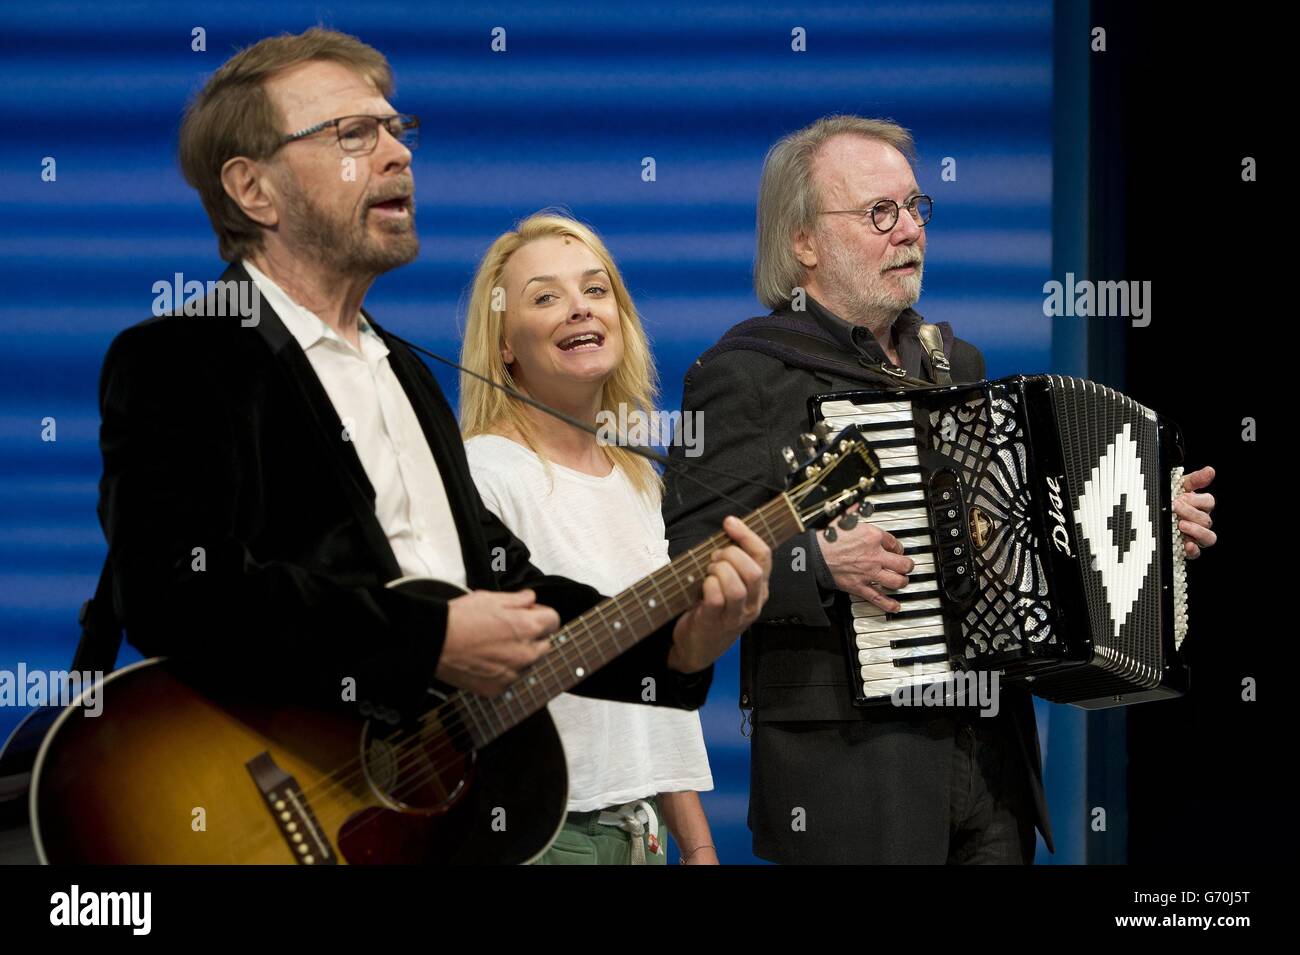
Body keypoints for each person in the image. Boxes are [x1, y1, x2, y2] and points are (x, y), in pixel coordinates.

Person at [96, 28, 771, 804]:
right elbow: (174, 592)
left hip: (410, 818)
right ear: (254, 190)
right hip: (263, 803)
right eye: (353, 133)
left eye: (395, 128)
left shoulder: (408, 373)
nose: (397, 153)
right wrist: (430, 640)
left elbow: (503, 585)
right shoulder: (185, 358)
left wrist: (678, 648)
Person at [663, 115, 1218, 864]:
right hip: (851, 773)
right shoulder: (743, 373)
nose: (909, 232)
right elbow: (690, 562)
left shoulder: (956, 363)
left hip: (990, 765)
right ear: (803, 242)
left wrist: (1143, 530)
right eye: (878, 213)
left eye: (916, 207)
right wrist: (821, 565)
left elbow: (1018, 543)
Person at [460, 213, 725, 865]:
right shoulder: (483, 477)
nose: (579, 308)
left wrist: (696, 844)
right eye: (545, 296)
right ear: (504, 346)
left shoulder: (638, 480)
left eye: (596, 289)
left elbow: (655, 687)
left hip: (642, 837)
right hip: (542, 837)